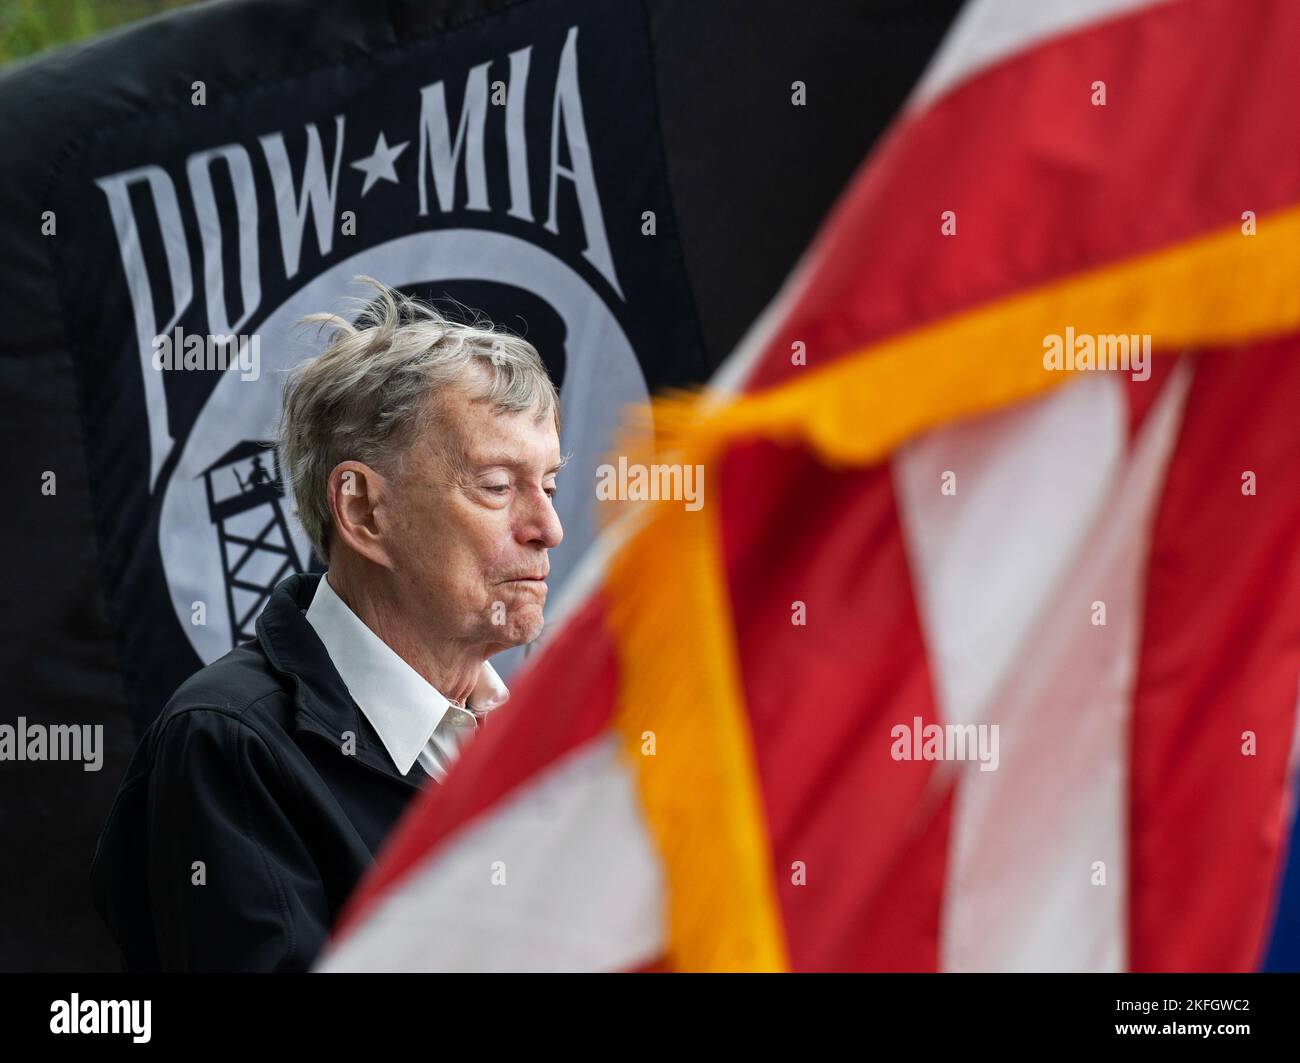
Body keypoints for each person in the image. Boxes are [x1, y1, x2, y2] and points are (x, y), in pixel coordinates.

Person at [90, 277, 565, 971]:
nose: (548, 527)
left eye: (548, 484)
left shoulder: (549, 733)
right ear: (365, 510)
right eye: (497, 486)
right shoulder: (227, 743)